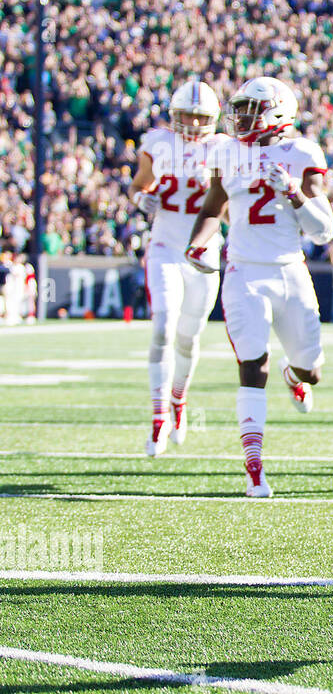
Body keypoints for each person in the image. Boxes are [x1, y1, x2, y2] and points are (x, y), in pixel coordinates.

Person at [186, 76, 333, 498]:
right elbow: (214, 207)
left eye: (250, 110)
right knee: (252, 365)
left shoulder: (302, 151)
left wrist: (293, 193)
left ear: (277, 111)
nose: (240, 118)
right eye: (239, 110)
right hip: (244, 271)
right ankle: (254, 467)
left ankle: (295, 373)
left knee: (313, 371)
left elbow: (323, 231)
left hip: (289, 270)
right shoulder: (226, 151)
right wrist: (197, 244)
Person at [128, 80, 228, 456]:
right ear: (174, 115)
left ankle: (178, 400)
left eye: (200, 116)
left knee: (189, 335)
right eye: (186, 114)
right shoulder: (158, 142)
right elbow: (139, 184)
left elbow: (231, 205)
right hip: (165, 246)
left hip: (203, 251)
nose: (193, 121)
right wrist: (141, 199)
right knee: (163, 325)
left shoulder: (224, 148)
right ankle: (157, 417)